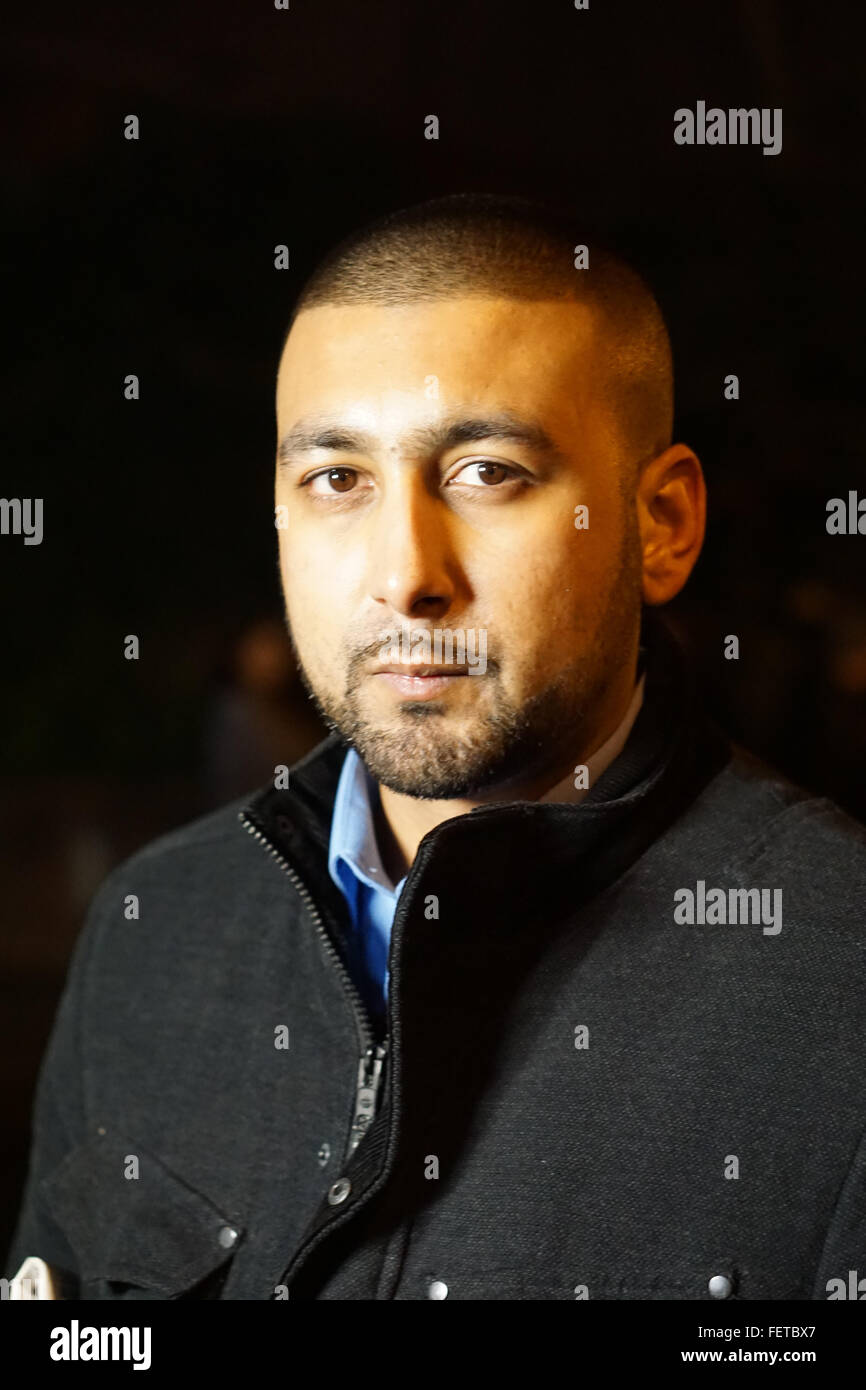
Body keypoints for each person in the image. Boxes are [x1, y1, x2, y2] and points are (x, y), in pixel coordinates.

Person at [6, 193, 866, 1302]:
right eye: (337, 480)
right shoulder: (154, 932)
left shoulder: (835, 987)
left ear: (662, 525)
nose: (404, 571)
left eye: (487, 472)